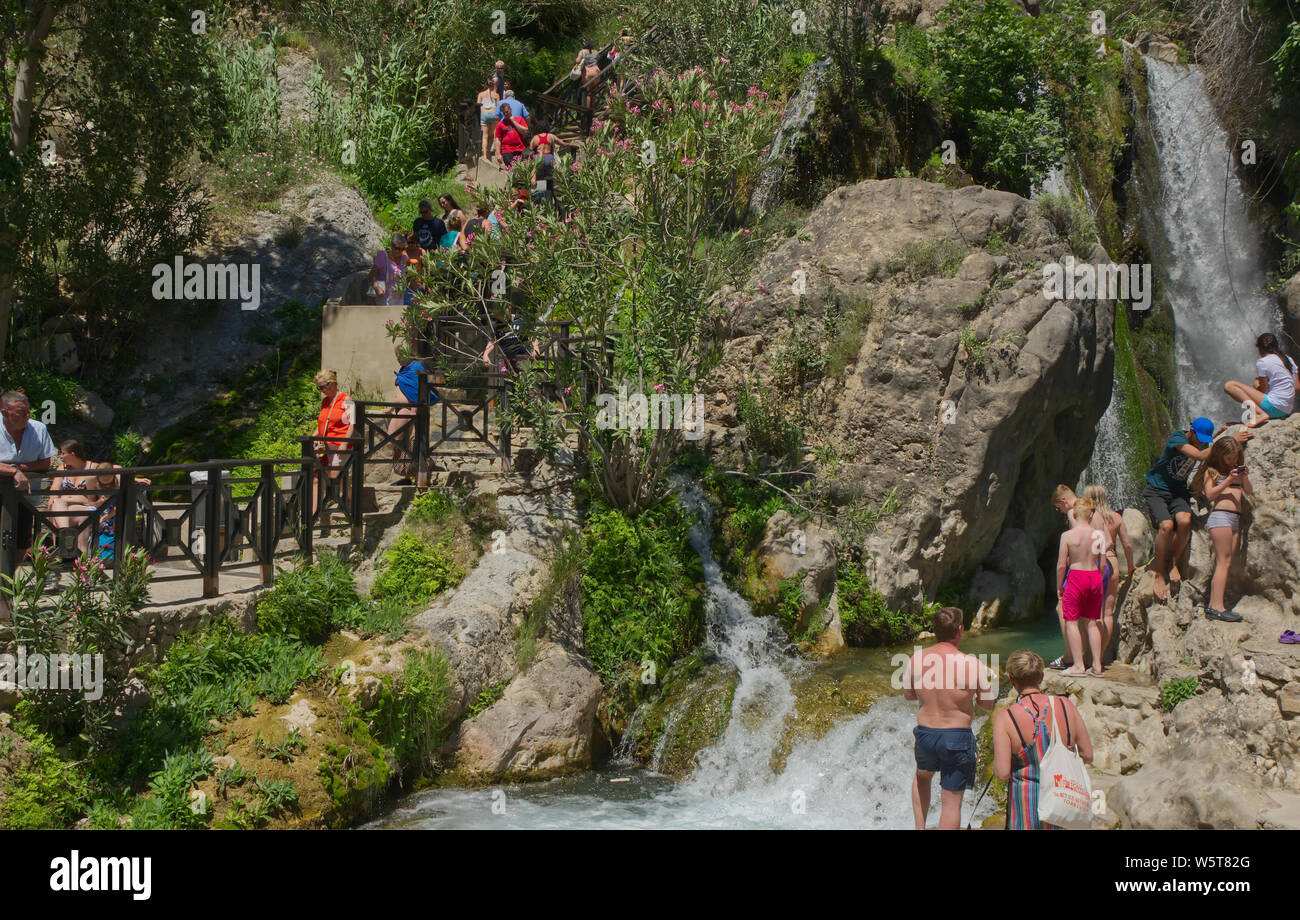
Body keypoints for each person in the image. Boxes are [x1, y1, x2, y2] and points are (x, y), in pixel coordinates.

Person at [902, 606, 997, 830]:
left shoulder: (916, 659)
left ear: (935, 630)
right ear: (960, 630)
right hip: (956, 736)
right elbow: (988, 704)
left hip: (925, 733)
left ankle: (920, 828)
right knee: (951, 803)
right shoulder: (972, 664)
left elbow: (909, 695)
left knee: (922, 777)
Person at [1142, 417, 1251, 600]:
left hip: (1178, 492)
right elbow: (1200, 455)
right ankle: (1159, 573)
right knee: (1166, 526)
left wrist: (1221, 434)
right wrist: (1230, 439)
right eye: (1199, 437)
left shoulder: (1202, 442)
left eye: (1204, 439)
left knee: (1185, 520)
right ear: (1191, 431)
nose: (1202, 442)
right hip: (1157, 489)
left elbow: (1209, 449)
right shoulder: (1177, 438)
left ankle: (1175, 564)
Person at [993, 649, 1094, 830]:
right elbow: (1087, 755)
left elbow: (1001, 773)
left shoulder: (1006, 719)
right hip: (1062, 808)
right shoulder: (1066, 706)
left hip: (1026, 812)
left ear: (1012, 680)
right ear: (1040, 677)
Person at [1192, 437, 1253, 622]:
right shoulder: (1211, 472)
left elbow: (1249, 491)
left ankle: (1218, 604)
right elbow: (1210, 495)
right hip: (1220, 517)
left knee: (1226, 563)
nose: (1233, 461)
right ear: (1220, 456)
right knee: (1222, 563)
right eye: (1229, 458)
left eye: (1235, 457)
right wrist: (1229, 480)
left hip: (1235, 519)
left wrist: (1244, 478)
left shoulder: (1235, 471)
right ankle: (1215, 606)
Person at [0, 390, 57, 562]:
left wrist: (19, 468)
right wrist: (14, 472)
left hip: (25, 497)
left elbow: (46, 463)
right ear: (5, 412)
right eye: (21, 412)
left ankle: (7, 583)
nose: (27, 415)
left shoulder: (39, 429)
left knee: (22, 543)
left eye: (28, 410)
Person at [1081, 484, 1134, 662]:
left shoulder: (1085, 518)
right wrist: (1132, 566)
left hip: (1090, 562)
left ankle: (1088, 656)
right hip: (1111, 561)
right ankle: (1100, 657)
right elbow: (1127, 545)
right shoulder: (1116, 517)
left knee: (1088, 613)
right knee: (1107, 613)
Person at [1057, 491, 1106, 677]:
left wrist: (1059, 585)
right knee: (1092, 623)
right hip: (1094, 576)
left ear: (1075, 515)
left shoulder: (1067, 536)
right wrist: (1098, 579)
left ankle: (1078, 666)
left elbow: (1062, 564)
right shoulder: (1099, 535)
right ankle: (1097, 666)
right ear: (1091, 514)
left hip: (1076, 576)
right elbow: (1102, 563)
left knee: (1071, 622)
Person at [383, 346, 440, 485]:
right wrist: (391, 408)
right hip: (401, 409)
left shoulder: (416, 367)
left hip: (408, 410)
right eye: (396, 357)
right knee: (397, 443)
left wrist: (414, 411)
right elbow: (401, 390)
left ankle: (411, 475)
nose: (398, 360)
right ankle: (406, 476)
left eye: (400, 357)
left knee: (399, 442)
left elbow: (418, 390)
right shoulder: (404, 369)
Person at [47, 440, 112, 559]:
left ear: (72, 454)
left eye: (62, 453)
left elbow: (113, 472)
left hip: (84, 506)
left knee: (83, 515)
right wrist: (52, 499)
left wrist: (136, 479)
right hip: (64, 509)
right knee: (56, 502)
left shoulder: (94, 467)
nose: (60, 457)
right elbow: (54, 489)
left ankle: (74, 552)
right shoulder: (62, 469)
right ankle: (67, 540)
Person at [1224, 332, 1298, 427]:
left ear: (1260, 348)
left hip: (1274, 409)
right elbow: (1297, 387)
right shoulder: (1289, 359)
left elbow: (1264, 390)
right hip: (1287, 409)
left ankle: (1259, 413)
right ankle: (1261, 413)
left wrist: (1256, 384)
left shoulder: (1263, 362)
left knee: (1229, 386)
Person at [313, 370, 355, 512]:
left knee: (335, 476)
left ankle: (351, 497)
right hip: (325, 446)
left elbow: (352, 424)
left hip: (339, 444)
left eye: (323, 387)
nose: (321, 390)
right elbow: (323, 423)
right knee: (319, 477)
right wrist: (314, 436)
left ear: (332, 384)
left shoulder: (346, 399)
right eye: (319, 388)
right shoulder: (325, 401)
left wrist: (344, 443)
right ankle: (316, 512)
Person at [370, 232, 409, 305]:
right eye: (397, 248)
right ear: (391, 245)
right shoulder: (382, 255)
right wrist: (376, 287)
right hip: (384, 297)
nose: (399, 251)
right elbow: (372, 274)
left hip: (399, 297)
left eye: (402, 249)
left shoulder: (404, 258)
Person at [493, 103, 529, 168]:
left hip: (520, 149)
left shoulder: (520, 119)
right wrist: (498, 154)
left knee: (522, 169)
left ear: (510, 110)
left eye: (507, 112)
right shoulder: (500, 124)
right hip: (507, 150)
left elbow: (525, 131)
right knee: (512, 169)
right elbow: (497, 139)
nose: (506, 114)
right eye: (504, 113)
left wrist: (513, 121)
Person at [477, 76, 501, 161]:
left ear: (486, 85)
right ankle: (489, 152)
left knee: (484, 136)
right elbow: (498, 107)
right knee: (491, 136)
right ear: (493, 85)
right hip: (493, 113)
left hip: (484, 113)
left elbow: (478, 106)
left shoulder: (481, 94)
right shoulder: (496, 95)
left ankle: (484, 156)